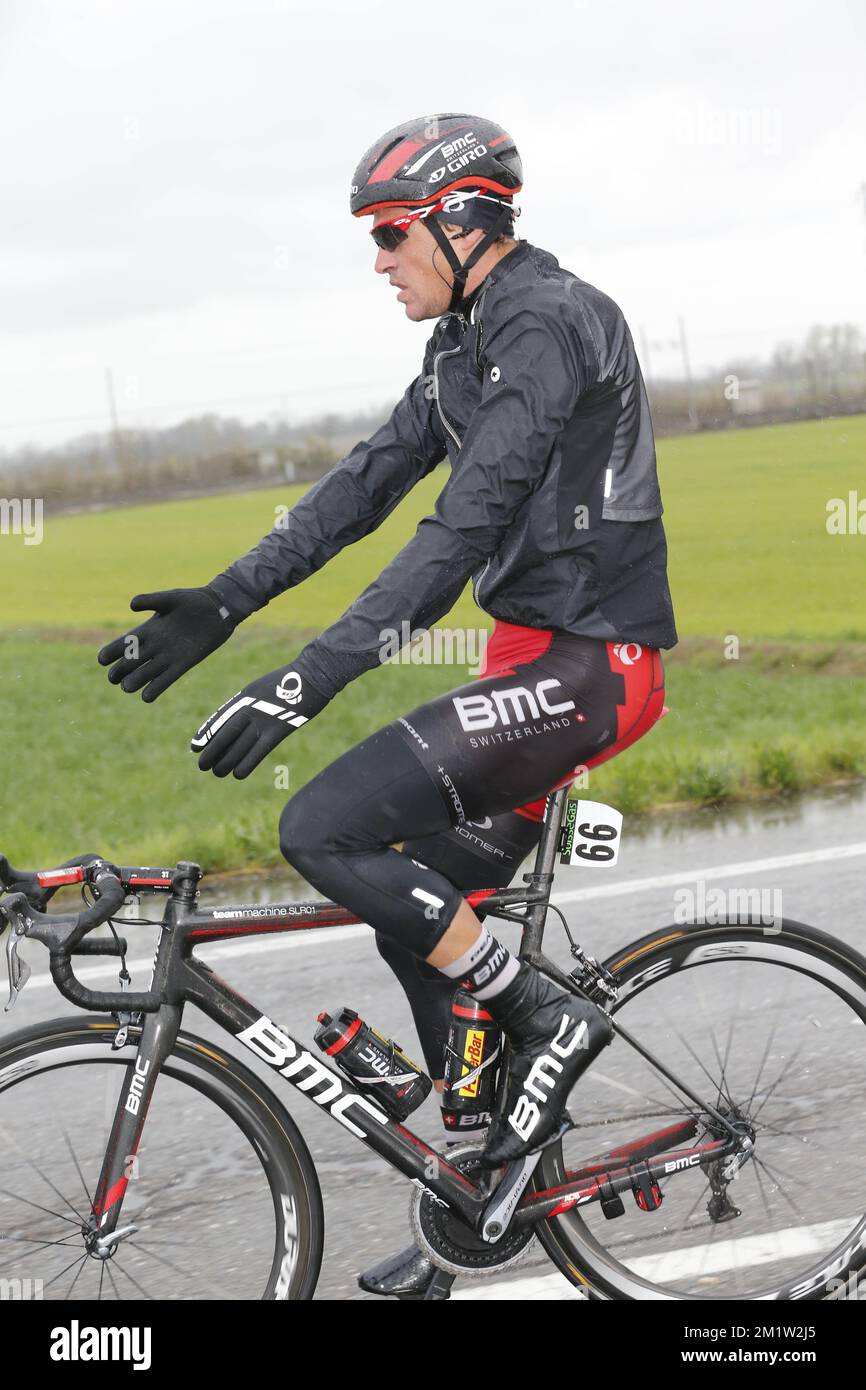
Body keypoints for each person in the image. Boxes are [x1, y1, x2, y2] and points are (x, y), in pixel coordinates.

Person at [98, 113, 677, 1299]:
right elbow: (362, 486)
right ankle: (478, 1184)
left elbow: (458, 528)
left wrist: (313, 674)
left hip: (587, 667)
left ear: (462, 222)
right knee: (418, 894)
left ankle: (544, 1011)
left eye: (389, 233)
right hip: (532, 664)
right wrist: (221, 601)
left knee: (322, 828)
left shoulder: (551, 323)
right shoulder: (464, 341)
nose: (378, 261)